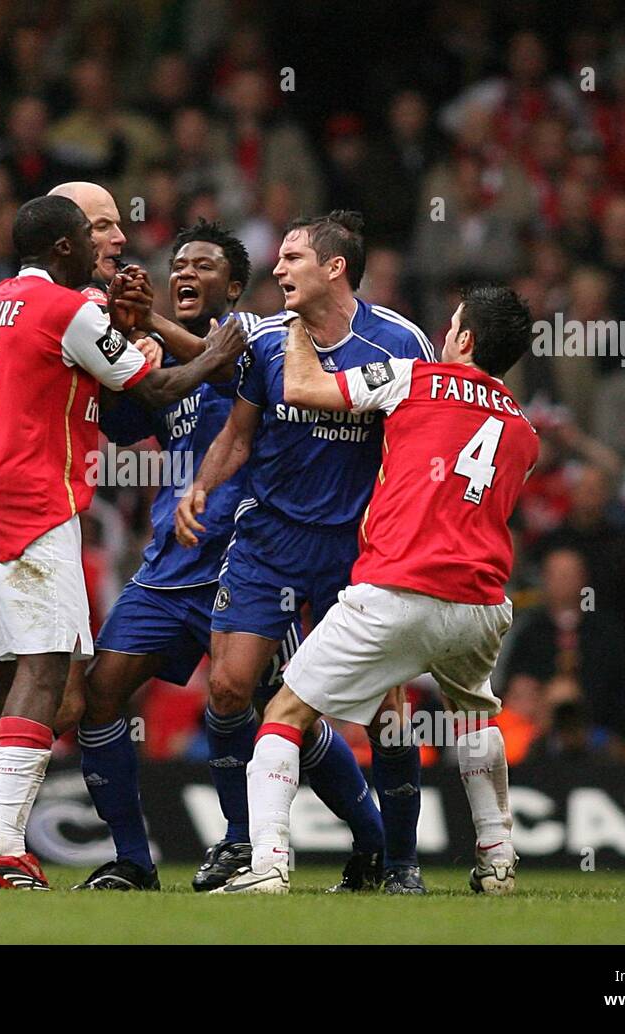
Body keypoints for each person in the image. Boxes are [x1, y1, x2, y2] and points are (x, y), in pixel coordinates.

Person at [0, 193, 245, 890]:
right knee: (45, 670)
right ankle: (2, 845)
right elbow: (157, 386)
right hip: (29, 502)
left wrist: (129, 324)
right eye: (93, 233)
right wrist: (213, 353)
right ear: (66, 248)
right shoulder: (67, 309)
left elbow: (75, 384)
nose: (109, 245)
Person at [74, 221, 385, 891]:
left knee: (276, 706)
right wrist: (125, 336)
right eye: (177, 264)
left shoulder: (261, 334)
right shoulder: (163, 357)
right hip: (170, 563)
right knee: (98, 693)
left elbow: (221, 356)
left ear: (236, 286)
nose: (186, 273)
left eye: (204, 266)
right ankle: (133, 859)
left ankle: (356, 837)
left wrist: (147, 316)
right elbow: (125, 418)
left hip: (248, 559)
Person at [213, 284, 538, 896]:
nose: (443, 334)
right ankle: (497, 861)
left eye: (452, 325)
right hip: (481, 605)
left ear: (464, 340)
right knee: (474, 719)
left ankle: (270, 865)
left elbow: (304, 389)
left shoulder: (414, 378)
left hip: (398, 588)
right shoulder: (524, 431)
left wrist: (300, 319)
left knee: (284, 715)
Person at [174, 210, 435, 893]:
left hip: (359, 548)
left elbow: (423, 441)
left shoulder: (400, 342)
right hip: (269, 541)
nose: (278, 269)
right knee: (230, 687)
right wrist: (199, 487)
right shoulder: (263, 342)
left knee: (385, 704)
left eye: (291, 257)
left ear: (334, 267)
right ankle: (240, 844)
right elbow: (237, 434)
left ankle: (400, 863)